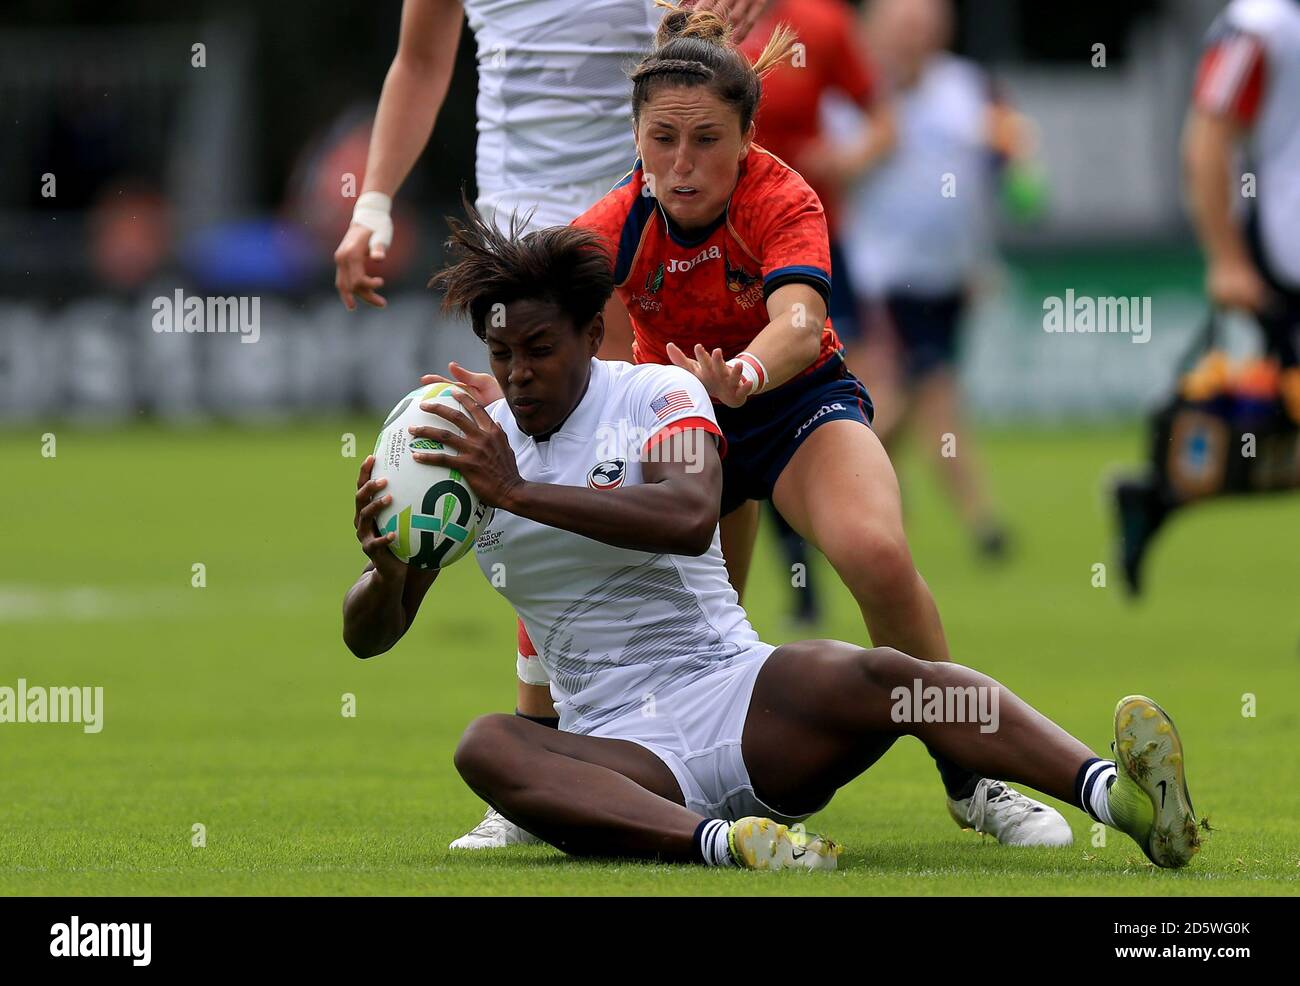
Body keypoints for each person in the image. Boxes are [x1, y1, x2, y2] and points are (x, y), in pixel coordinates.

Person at [342, 206, 1202, 871]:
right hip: (616, 749)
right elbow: (368, 637)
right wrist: (385, 571)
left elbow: (686, 517)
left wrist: (521, 491)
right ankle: (725, 847)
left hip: (739, 697)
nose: (519, 372)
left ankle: (1119, 801)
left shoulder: (658, 397)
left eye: (538, 348)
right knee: (487, 744)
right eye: (502, 355)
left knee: (893, 677)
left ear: (587, 331)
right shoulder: (470, 451)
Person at [438, 2, 1072, 846]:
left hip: (794, 404)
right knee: (691, 640)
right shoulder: (607, 228)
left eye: (706, 140)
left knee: (877, 556)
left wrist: (743, 374)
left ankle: (971, 777)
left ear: (747, 138)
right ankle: (605, 791)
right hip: (684, 423)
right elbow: (554, 336)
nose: (683, 163)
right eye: (663, 139)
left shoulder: (783, 193)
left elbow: (803, 324)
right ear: (635, 139)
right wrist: (500, 382)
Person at [334, 0, 769, 848]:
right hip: (518, 227)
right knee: (540, 481)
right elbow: (420, 64)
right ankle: (563, 753)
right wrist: (374, 200)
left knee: (676, 452)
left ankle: (708, 712)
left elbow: (707, 38)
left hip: (645, 207)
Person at [825, 0, 1029, 559]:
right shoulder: (854, 94)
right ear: (873, 28)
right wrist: (872, 146)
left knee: (912, 402)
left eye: (927, 25)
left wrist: (1016, 163)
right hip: (881, 275)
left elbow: (1002, 159)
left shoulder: (965, 87)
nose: (917, 36)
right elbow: (828, 170)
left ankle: (856, 501)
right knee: (920, 394)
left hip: (949, 278)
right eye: (905, 25)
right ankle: (979, 522)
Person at [1113, 0, 1300, 593]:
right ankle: (1161, 491)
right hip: (1287, 253)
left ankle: (1158, 496)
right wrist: (1226, 259)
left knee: (1279, 431)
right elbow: (1207, 137)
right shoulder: (1261, 27)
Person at [738, 0, 896, 628]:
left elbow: (883, 121)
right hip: (722, 254)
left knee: (810, 394)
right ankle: (791, 581)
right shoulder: (691, 17)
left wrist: (849, 159)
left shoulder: (824, 24)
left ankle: (843, 544)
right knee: (744, 407)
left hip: (810, 250)